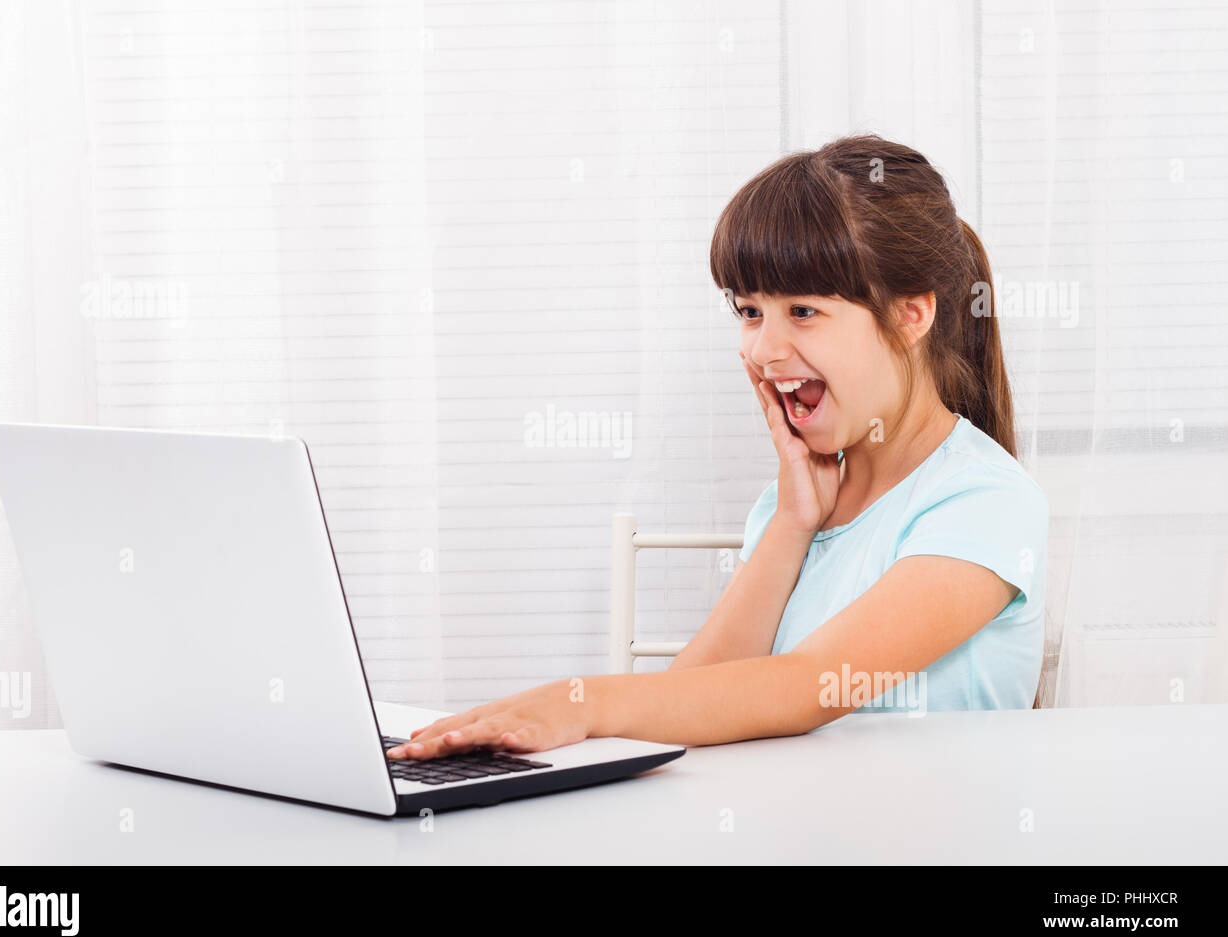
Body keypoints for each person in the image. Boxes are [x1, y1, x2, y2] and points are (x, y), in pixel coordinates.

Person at [387, 133, 1049, 761]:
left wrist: (577, 702)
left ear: (911, 315)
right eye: (750, 311)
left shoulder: (985, 503)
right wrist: (792, 524)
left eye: (803, 312)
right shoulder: (792, 507)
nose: (761, 350)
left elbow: (814, 684)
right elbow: (695, 706)